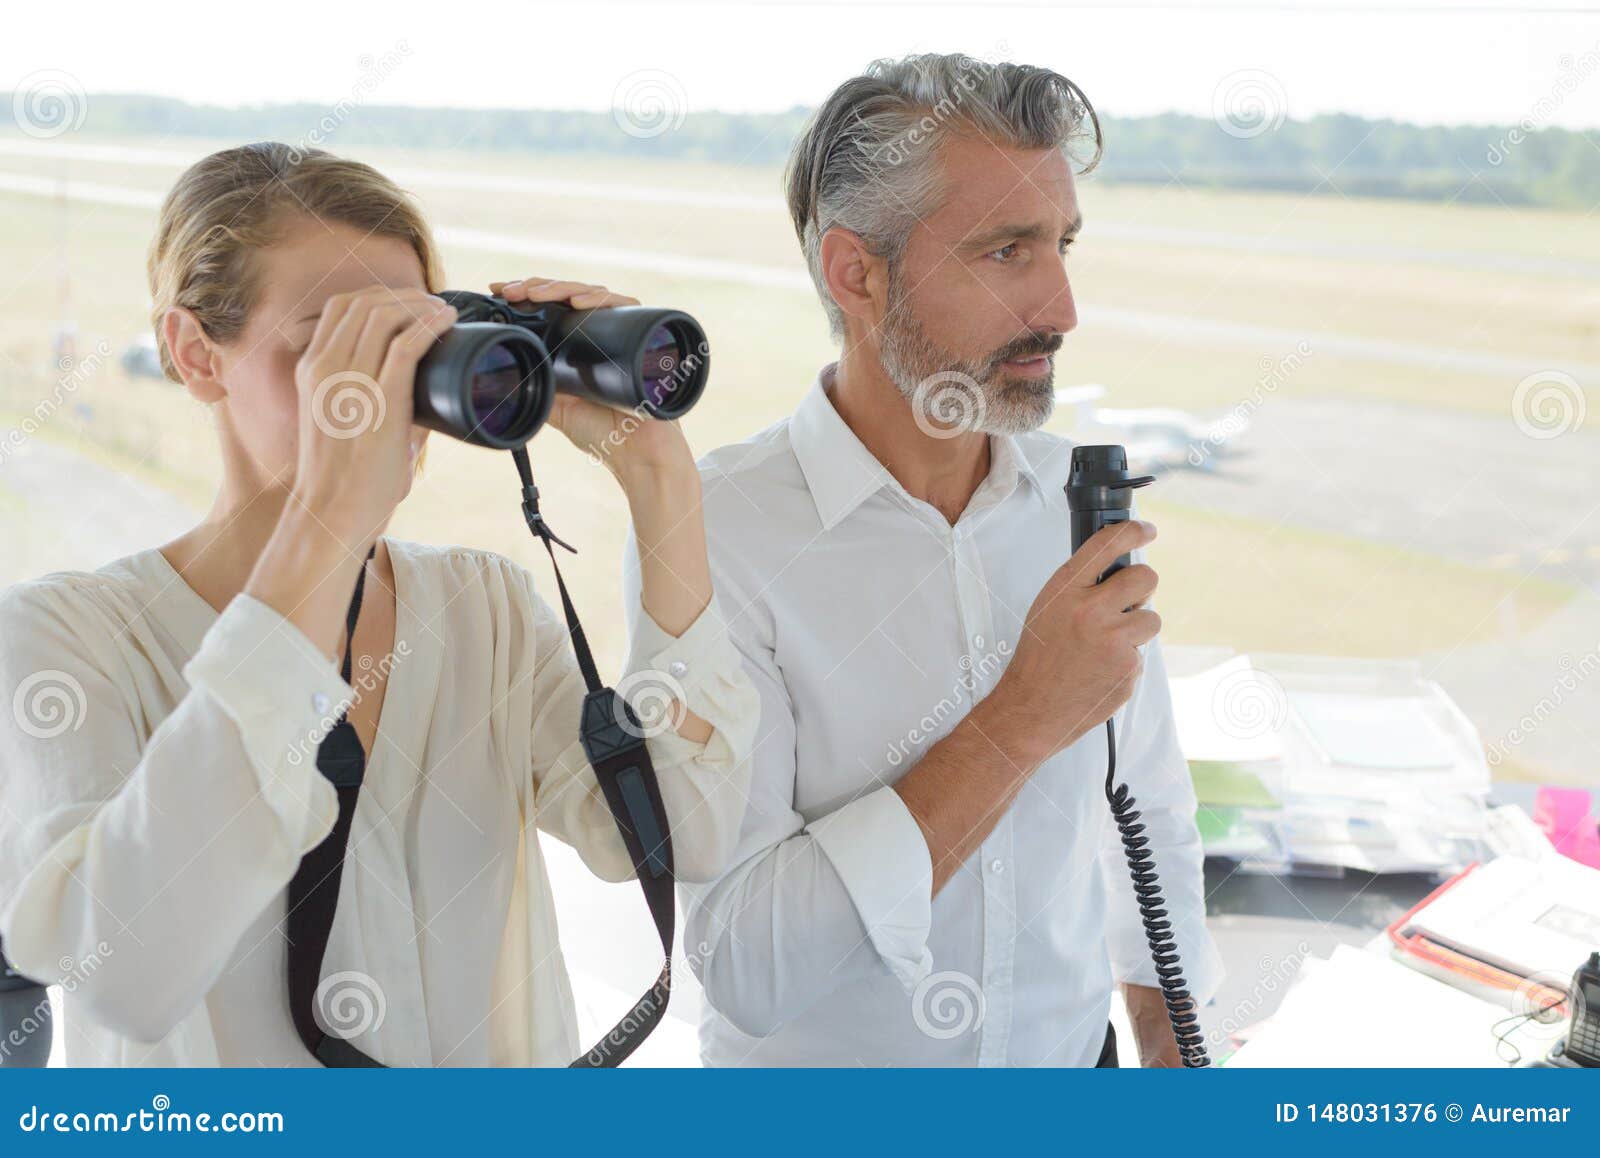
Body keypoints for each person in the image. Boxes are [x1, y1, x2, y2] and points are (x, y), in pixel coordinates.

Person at [0, 143, 759, 1067]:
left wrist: (659, 483)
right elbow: (127, 973)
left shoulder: (485, 609)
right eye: (336, 344)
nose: (387, 390)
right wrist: (325, 523)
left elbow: (691, 835)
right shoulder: (67, 638)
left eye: (415, 346)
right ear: (197, 356)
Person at [636, 54, 1223, 1067]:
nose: (1061, 307)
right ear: (855, 272)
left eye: (1061, 244)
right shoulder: (717, 532)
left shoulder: (1072, 510)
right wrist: (1018, 721)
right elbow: (748, 966)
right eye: (1005, 252)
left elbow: (1151, 817)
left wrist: (1177, 1055)